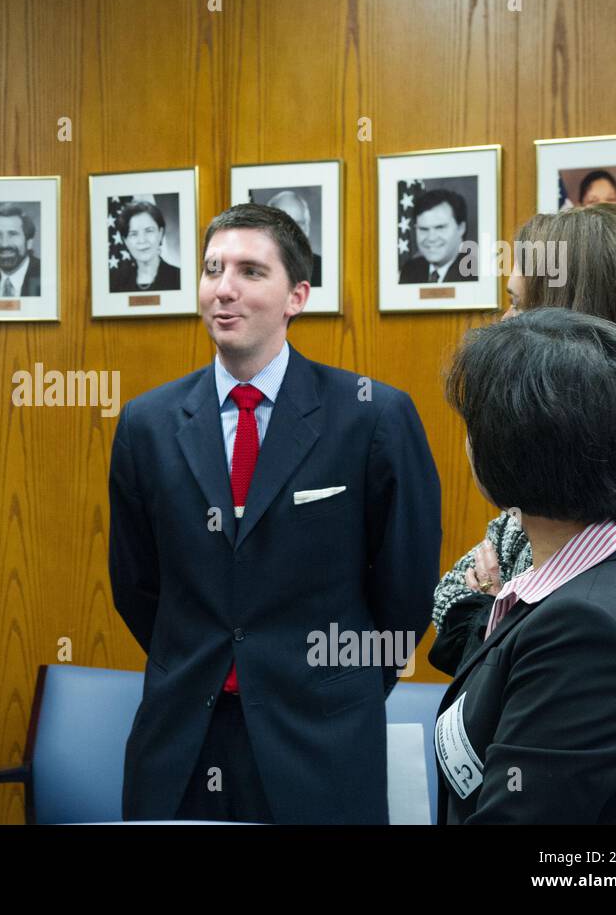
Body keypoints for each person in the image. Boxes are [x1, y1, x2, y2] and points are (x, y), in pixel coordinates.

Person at [109, 203, 441, 823]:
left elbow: (405, 589)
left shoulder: (371, 416)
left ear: (297, 296)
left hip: (324, 740)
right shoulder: (147, 423)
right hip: (184, 738)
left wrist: (349, 686)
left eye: (251, 271)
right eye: (212, 269)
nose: (223, 288)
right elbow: (137, 584)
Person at [432, 202, 616, 823]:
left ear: (577, 324)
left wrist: (497, 598)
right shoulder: (560, 459)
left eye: (518, 304)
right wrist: (495, 600)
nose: (503, 322)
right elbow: (454, 596)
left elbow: (581, 639)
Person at [398, 188, 476, 284]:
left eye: (440, 227)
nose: (431, 238)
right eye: (423, 229)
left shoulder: (476, 272)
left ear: (461, 228)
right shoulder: (410, 270)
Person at [109, 200, 181, 292]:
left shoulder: (178, 277)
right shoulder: (115, 282)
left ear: (160, 233)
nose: (142, 240)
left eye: (149, 231)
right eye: (133, 234)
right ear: (125, 240)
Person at [265, 190, 322, 286]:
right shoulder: (256, 267)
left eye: (300, 223)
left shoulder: (322, 268)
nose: (293, 231)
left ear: (307, 226)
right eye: (284, 225)